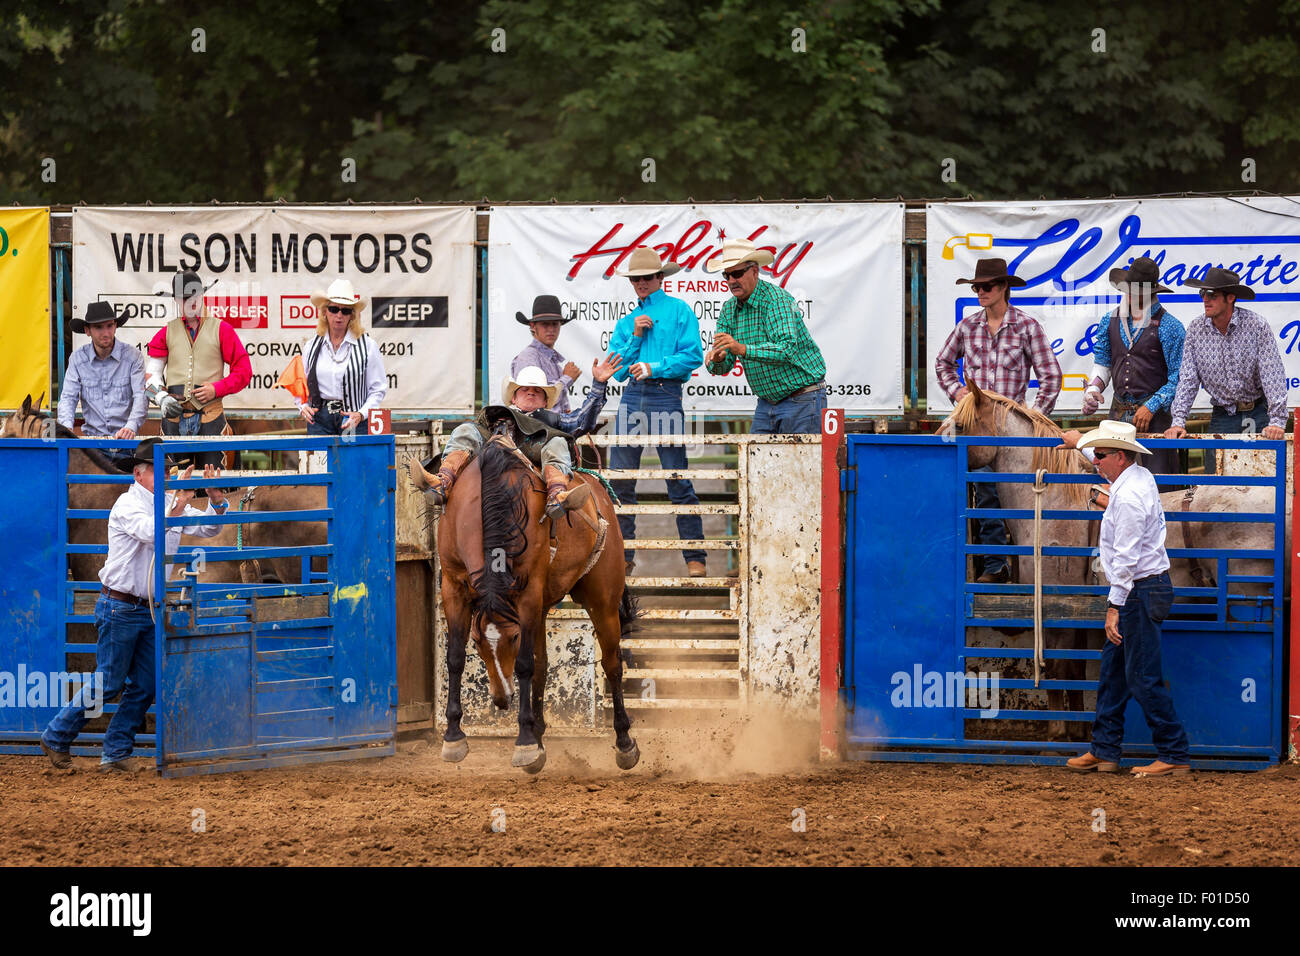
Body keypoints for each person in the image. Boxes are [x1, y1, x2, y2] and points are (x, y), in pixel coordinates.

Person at [39, 439, 228, 772]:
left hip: (145, 607)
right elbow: (154, 532)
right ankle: (57, 735)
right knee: (110, 681)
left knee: (144, 684)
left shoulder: (170, 502)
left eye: (168, 469)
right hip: (121, 606)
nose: (167, 474)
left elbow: (210, 528)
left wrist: (216, 502)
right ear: (140, 474)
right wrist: (179, 506)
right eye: (161, 469)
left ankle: (114, 751)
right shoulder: (128, 505)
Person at [1058, 421, 1191, 777]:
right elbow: (1108, 460)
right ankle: (1105, 750)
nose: (1095, 461)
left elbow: (1127, 559)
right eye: (1095, 454)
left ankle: (1173, 751)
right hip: (1145, 588)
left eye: (1100, 455)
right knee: (1115, 673)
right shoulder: (1137, 477)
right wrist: (1079, 444)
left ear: (1118, 456)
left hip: (1137, 591)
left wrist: (1114, 607)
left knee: (1140, 677)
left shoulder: (1129, 496)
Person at [934, 257, 1063, 583]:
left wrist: (1033, 420)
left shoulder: (1026, 327)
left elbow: (1051, 375)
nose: (980, 291)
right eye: (977, 287)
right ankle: (995, 566)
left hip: (1012, 431)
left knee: (1019, 498)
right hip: (979, 428)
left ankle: (1019, 568)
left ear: (1004, 287)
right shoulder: (967, 327)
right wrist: (961, 395)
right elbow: (943, 363)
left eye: (986, 286)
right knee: (986, 491)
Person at [409, 357, 623, 519]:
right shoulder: (496, 416)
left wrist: (597, 385)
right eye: (525, 389)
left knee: (557, 442)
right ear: (514, 397)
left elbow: (582, 421)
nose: (531, 392)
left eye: (537, 391)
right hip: (495, 445)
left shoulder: (551, 420)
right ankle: (443, 481)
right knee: (466, 431)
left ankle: (557, 494)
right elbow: (475, 434)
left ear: (544, 400)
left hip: (536, 449)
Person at [607, 247, 706, 577]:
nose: (641, 283)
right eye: (636, 279)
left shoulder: (680, 311)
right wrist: (636, 338)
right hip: (634, 397)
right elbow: (617, 372)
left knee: (677, 479)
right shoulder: (627, 323)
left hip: (664, 395)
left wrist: (655, 366)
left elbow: (693, 356)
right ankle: (623, 557)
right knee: (620, 483)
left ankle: (696, 556)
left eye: (647, 277)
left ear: (660, 278)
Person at [1164, 268, 1287, 472]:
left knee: (1257, 476)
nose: (1206, 299)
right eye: (1203, 293)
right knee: (1217, 478)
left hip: (1255, 412)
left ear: (1230, 298)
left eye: (1212, 295)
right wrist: (1178, 421)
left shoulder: (1256, 326)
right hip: (1222, 413)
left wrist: (1277, 421)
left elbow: (1271, 373)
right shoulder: (1196, 329)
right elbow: (1188, 378)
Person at [704, 238, 828, 434]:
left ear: (755, 271)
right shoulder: (728, 310)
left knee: (801, 464)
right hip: (769, 402)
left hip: (802, 398)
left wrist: (741, 349)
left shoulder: (776, 299)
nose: (731, 281)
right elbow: (723, 364)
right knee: (757, 463)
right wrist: (717, 360)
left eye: (737, 273)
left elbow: (786, 350)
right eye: (726, 275)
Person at [1081, 256, 1186, 477]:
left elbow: (1180, 377)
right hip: (1118, 413)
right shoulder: (1109, 320)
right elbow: (1103, 363)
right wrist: (1093, 389)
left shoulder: (1170, 327)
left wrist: (1152, 405)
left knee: (1160, 483)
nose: (1129, 295)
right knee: (1110, 477)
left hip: (1155, 419)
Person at [144, 271, 252, 471]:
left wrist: (217, 389)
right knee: (171, 483)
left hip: (210, 416)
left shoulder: (222, 329)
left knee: (215, 484)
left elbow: (244, 372)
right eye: (185, 297)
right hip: (174, 420)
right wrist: (162, 398)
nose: (191, 301)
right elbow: (149, 378)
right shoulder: (166, 332)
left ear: (202, 295)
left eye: (194, 295)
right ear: (176, 299)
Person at [57, 301, 147, 470]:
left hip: (127, 446)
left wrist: (130, 426)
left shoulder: (133, 357)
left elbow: (141, 396)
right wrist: (66, 428)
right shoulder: (78, 359)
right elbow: (68, 397)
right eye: (99, 327)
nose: (106, 332)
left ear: (115, 326)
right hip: (93, 446)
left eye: (110, 325)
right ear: (87, 331)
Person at [294, 279, 387, 435]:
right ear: (324, 311)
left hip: (352, 420)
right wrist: (302, 406)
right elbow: (300, 384)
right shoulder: (311, 346)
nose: (339, 315)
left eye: (345, 311)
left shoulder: (367, 346)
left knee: (352, 460)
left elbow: (378, 389)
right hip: (320, 420)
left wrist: (361, 414)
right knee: (320, 459)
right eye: (333, 309)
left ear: (352, 315)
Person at [512, 294, 581, 414]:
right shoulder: (528, 358)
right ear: (533, 326)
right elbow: (530, 404)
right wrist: (567, 378)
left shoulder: (549, 358)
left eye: (555, 324)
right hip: (538, 429)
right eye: (545, 324)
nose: (551, 329)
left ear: (560, 325)